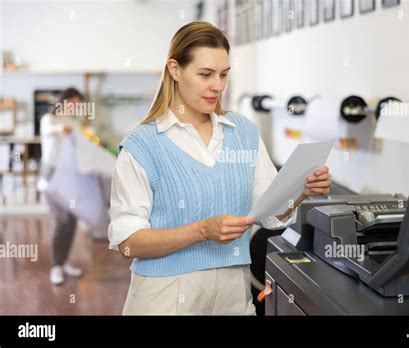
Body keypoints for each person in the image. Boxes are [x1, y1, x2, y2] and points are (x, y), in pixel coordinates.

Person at [108, 21, 332, 315]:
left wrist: (301, 191)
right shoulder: (143, 144)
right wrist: (202, 230)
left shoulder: (243, 133)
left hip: (233, 291)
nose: (218, 85)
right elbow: (128, 243)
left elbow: (271, 215)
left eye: (224, 74)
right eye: (205, 74)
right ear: (175, 70)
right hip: (163, 295)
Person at [38, 88, 84, 285]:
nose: (75, 107)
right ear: (63, 102)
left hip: (69, 177)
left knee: (72, 222)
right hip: (51, 177)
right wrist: (62, 129)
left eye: (78, 105)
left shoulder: (73, 122)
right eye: (73, 103)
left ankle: (64, 261)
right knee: (60, 220)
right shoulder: (49, 120)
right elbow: (53, 130)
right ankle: (56, 267)